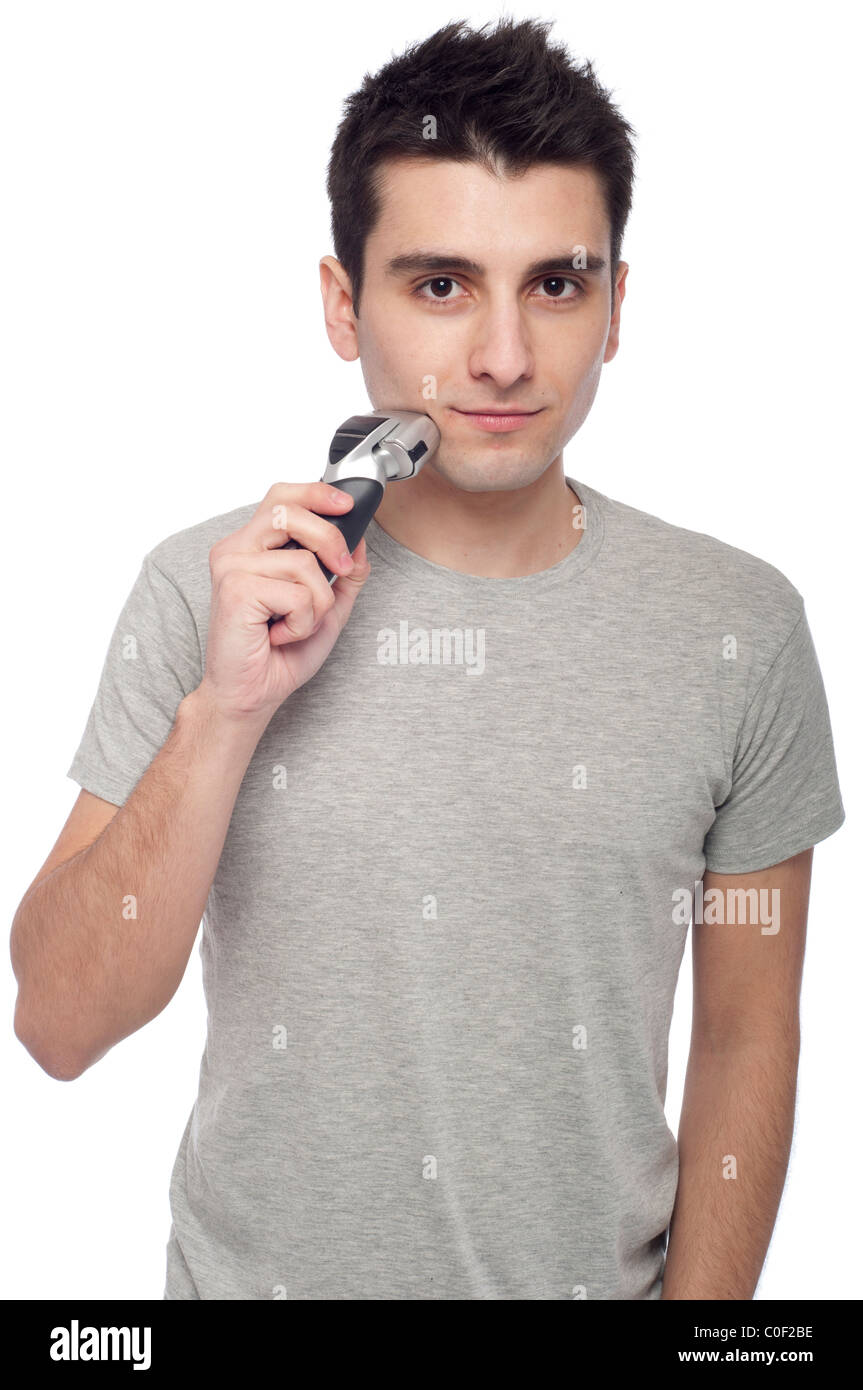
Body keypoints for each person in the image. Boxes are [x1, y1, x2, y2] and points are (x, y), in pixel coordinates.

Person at [10, 17, 845, 1300]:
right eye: (439, 283)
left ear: (618, 305)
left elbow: (744, 1035)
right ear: (344, 306)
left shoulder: (735, 624)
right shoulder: (208, 588)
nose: (504, 357)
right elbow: (58, 1027)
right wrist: (226, 714)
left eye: (555, 285)